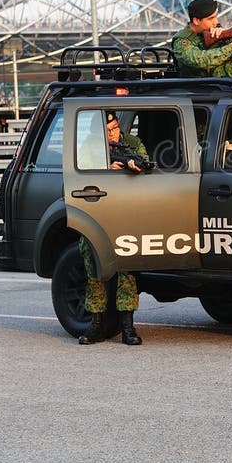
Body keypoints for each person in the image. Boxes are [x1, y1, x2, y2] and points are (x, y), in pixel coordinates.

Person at [78, 111, 149, 346]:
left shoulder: (132, 143)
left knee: (126, 271)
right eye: (107, 132)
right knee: (94, 271)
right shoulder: (88, 147)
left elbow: (145, 165)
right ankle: (96, 325)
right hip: (96, 215)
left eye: (115, 128)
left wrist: (133, 168)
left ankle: (127, 327)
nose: (113, 134)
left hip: (124, 215)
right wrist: (108, 169)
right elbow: (80, 173)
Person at [171, 0, 232, 77]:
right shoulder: (182, 40)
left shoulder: (214, 31)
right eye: (211, 18)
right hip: (206, 87)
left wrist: (226, 38)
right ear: (196, 20)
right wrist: (231, 47)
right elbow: (200, 60)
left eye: (216, 17)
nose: (216, 22)